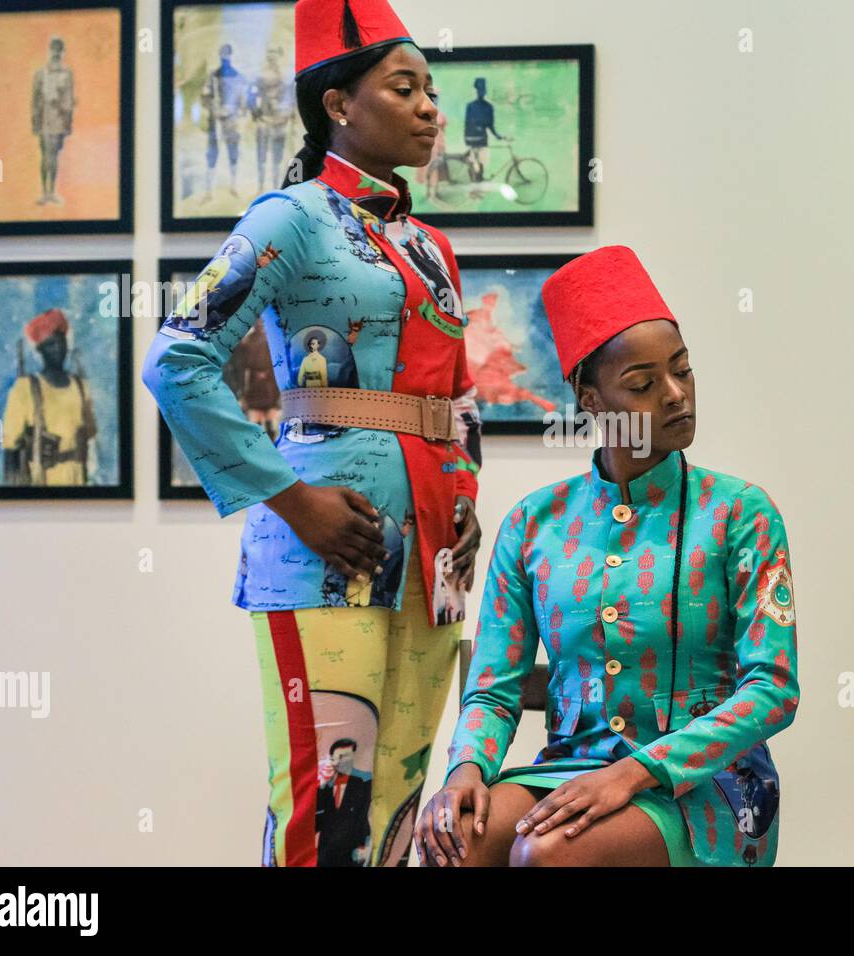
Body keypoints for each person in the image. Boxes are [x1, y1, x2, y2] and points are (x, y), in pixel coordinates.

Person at [142, 0, 483, 867]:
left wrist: (468, 502)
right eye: (404, 88)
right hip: (326, 553)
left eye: (431, 91)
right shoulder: (289, 218)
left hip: (436, 554)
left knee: (403, 805)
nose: (430, 108)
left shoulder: (433, 248)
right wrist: (295, 504)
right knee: (329, 810)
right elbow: (176, 359)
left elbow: (461, 394)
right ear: (337, 103)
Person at [414, 246, 800, 868]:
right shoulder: (534, 523)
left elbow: (774, 689)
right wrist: (466, 767)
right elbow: (492, 690)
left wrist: (635, 773)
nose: (676, 395)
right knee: (450, 840)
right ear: (589, 399)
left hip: (706, 789)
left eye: (683, 369)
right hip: (569, 772)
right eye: (643, 384)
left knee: (545, 854)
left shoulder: (741, 513)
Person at [2, 309, 97, 487]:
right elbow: (11, 446)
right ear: (41, 350)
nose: (59, 349)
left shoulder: (81, 387)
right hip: (41, 483)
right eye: (51, 344)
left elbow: (90, 433)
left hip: (78, 481)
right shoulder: (25, 389)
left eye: (62, 342)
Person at [31, 36, 74, 206]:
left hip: (59, 119)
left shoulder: (66, 73)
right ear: (49, 51)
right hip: (44, 119)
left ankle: (52, 191)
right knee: (45, 155)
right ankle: (45, 192)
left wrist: (68, 121)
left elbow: (69, 99)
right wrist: (34, 121)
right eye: (53, 49)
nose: (56, 53)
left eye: (59, 49)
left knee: (54, 155)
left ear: (62, 52)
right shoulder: (40, 73)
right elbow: (35, 99)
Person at [248, 45, 296, 194]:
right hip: (263, 119)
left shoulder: (286, 76)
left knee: (278, 156)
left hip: (280, 120)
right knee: (261, 155)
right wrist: (256, 112)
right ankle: (261, 187)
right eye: (269, 53)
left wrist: (288, 113)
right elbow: (251, 94)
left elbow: (292, 97)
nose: (272, 56)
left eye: (274, 53)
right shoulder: (259, 75)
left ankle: (276, 187)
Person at [201, 43, 247, 201]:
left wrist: (235, 112)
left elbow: (243, 102)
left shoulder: (239, 77)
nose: (224, 57)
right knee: (211, 155)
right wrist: (214, 109)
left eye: (227, 54)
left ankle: (233, 186)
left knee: (233, 153)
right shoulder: (213, 77)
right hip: (215, 121)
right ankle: (209, 191)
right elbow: (205, 97)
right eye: (222, 54)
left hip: (231, 122)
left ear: (231, 55)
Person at [316, 738, 373, 866]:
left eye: (348, 756)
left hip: (353, 855)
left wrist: (368, 846)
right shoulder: (325, 786)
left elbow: (371, 817)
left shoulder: (364, 784)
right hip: (326, 856)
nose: (344, 760)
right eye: (340, 757)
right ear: (332, 759)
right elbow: (315, 822)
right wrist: (322, 786)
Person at [464, 77, 506, 183]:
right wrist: (497, 136)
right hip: (481, 140)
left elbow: (467, 124)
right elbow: (490, 126)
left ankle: (476, 181)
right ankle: (478, 181)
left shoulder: (470, 106)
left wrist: (466, 138)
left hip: (471, 139)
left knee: (475, 163)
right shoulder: (489, 107)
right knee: (481, 162)